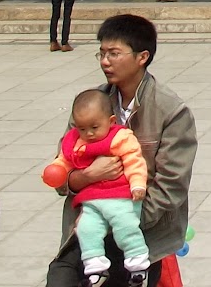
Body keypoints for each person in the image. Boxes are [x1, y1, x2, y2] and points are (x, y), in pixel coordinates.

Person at [48, 15, 197, 287]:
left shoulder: (171, 111)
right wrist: (82, 179)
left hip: (140, 236)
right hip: (87, 228)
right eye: (102, 53)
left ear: (142, 57)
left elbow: (172, 186)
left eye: (114, 53)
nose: (105, 61)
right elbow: (63, 167)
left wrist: (124, 219)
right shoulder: (90, 106)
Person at [44, 89, 149, 287]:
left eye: (94, 127)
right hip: (91, 201)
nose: (89, 134)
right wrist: (55, 170)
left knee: (126, 225)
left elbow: (134, 161)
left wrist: (137, 184)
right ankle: (94, 265)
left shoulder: (120, 138)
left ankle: (137, 261)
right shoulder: (75, 141)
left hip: (120, 197)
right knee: (86, 229)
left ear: (110, 121)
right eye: (82, 129)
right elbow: (64, 160)